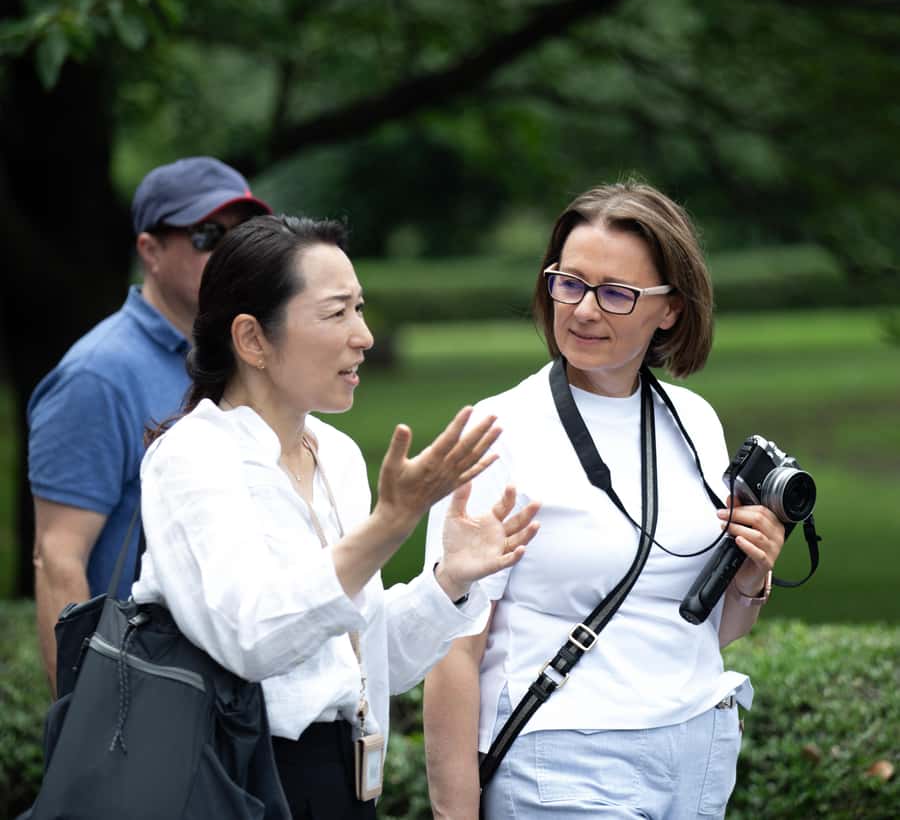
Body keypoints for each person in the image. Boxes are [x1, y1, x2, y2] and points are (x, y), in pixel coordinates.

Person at [132, 213, 541, 818]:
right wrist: (388, 527)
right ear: (252, 340)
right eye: (336, 313)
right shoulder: (193, 458)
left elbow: (369, 661)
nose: (365, 335)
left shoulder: (337, 453)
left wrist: (449, 580)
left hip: (344, 781)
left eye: (360, 307)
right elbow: (253, 639)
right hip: (244, 777)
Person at [422, 182, 787, 819]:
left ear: (669, 310)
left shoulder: (693, 421)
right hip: (564, 762)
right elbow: (454, 648)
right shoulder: (497, 431)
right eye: (570, 283)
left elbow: (705, 632)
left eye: (616, 294)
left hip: (699, 747)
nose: (585, 310)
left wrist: (752, 575)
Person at [28, 156, 270, 695]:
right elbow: (58, 556)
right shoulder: (97, 376)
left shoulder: (241, 357)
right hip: (143, 690)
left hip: (235, 686)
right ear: (150, 251)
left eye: (244, 234)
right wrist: (83, 721)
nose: (228, 251)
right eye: (207, 234)